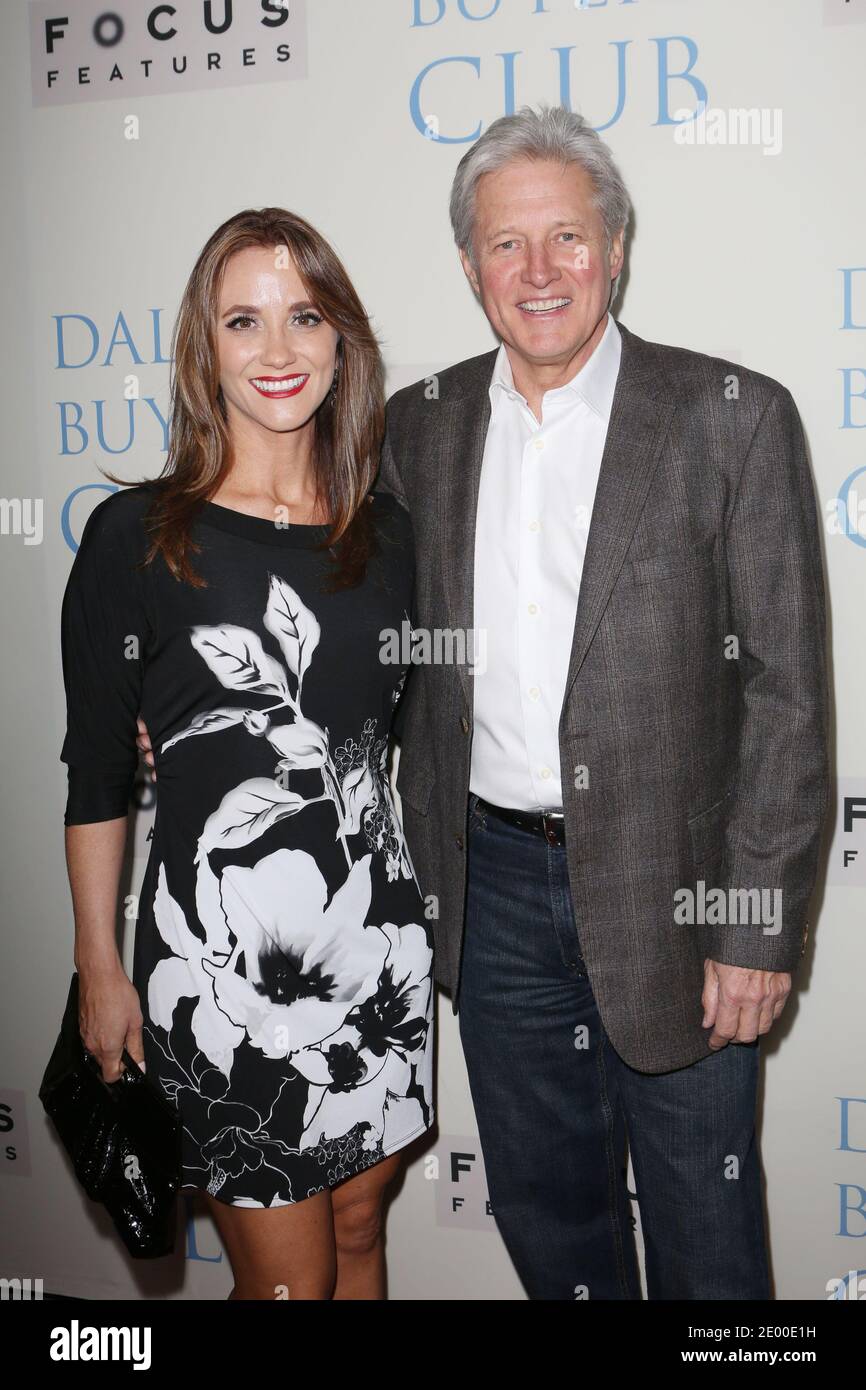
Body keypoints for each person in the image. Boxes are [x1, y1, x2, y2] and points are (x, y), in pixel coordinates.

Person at [374, 105, 829, 1299]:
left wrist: (751, 925)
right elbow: (363, 643)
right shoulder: (412, 432)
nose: (538, 272)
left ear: (616, 246)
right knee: (550, 1225)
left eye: (566, 238)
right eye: (505, 244)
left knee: (708, 1245)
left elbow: (787, 694)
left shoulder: (730, 418)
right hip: (493, 898)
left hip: (679, 898)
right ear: (468, 265)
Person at [60, 207, 434, 1300]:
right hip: (221, 965)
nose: (277, 351)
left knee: (361, 1233)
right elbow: (94, 770)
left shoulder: (391, 533)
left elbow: (387, 730)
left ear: (340, 340)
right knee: (286, 1289)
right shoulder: (139, 536)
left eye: (303, 316)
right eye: (243, 320)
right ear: (204, 346)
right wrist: (98, 966)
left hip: (376, 944)